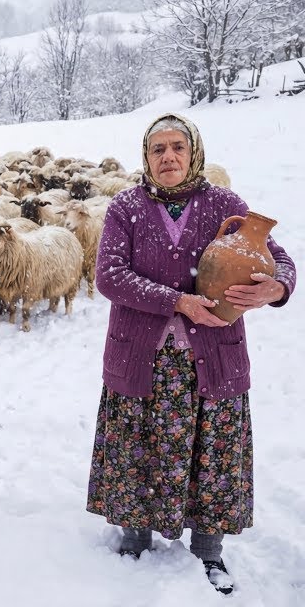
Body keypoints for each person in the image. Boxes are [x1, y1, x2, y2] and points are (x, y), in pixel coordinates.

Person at [86, 113, 295, 594]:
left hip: (213, 357)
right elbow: (109, 276)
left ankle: (209, 552)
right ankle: (135, 538)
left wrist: (276, 288)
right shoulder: (126, 207)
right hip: (142, 356)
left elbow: (278, 258)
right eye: (158, 150)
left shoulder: (224, 204)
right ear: (146, 157)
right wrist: (175, 301)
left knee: (213, 452)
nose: (168, 157)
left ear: (193, 151)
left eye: (177, 147)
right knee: (136, 447)